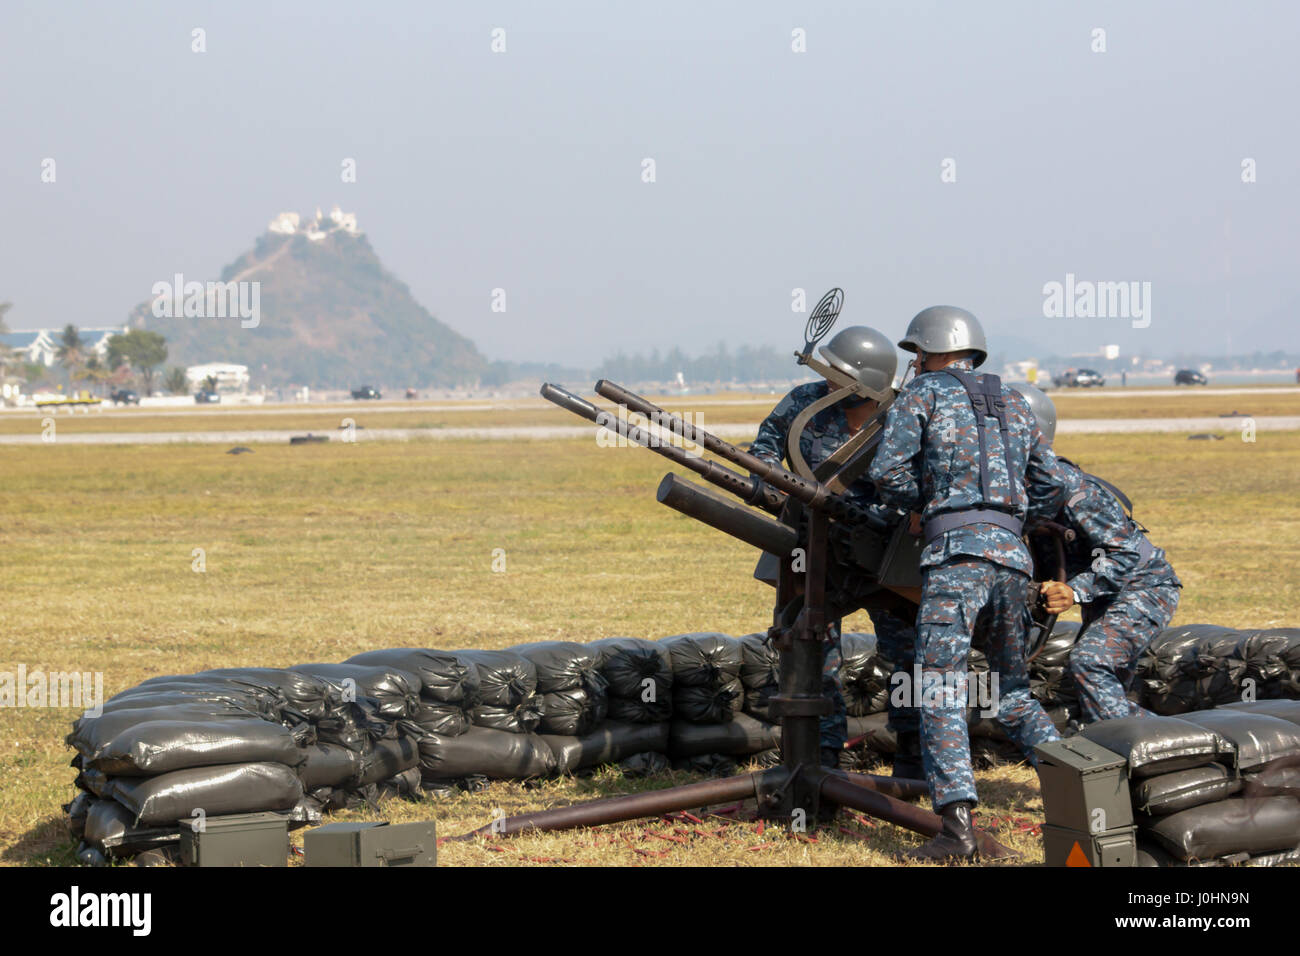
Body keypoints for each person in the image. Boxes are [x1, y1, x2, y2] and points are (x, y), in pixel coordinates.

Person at [869, 306, 1066, 860]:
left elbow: (887, 472)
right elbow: (1050, 483)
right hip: (1013, 561)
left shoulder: (924, 395)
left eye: (917, 354)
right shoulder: (1015, 401)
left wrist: (923, 506)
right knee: (1012, 689)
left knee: (940, 690)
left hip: (955, 561)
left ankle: (957, 832)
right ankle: (1074, 790)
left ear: (932, 351)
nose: (914, 363)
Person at [749, 325, 922, 777]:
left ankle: (914, 759)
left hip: (885, 553)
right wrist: (772, 485)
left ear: (867, 382)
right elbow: (763, 450)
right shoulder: (804, 402)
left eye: (838, 374)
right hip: (818, 550)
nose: (827, 380)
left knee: (909, 657)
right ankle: (821, 760)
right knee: (811, 651)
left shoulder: (904, 416)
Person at [1009, 383, 1182, 723]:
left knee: (1091, 662)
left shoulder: (1076, 493)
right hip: (1101, 596)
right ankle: (1156, 743)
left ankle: (1130, 750)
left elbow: (1123, 555)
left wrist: (1075, 591)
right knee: (1101, 686)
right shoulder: (1013, 490)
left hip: (1141, 588)